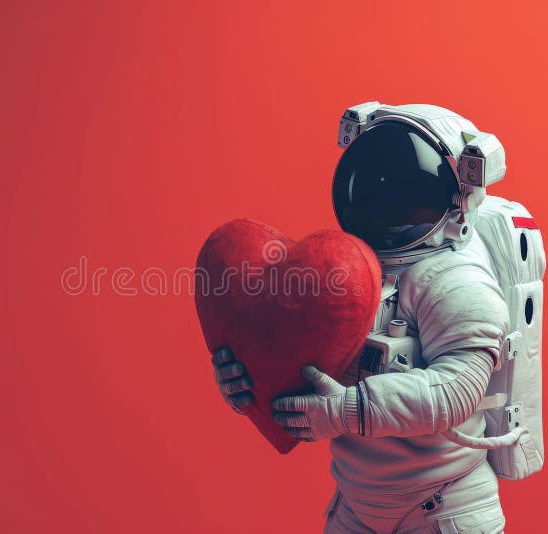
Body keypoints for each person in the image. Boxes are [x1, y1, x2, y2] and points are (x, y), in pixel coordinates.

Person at [211, 104, 510, 533]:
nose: (389, 201)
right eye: (377, 186)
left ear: (460, 198)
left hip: (445, 507)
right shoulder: (341, 268)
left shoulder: (455, 278)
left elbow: (460, 389)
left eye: (411, 194)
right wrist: (247, 381)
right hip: (357, 503)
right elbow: (293, 363)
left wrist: (346, 410)